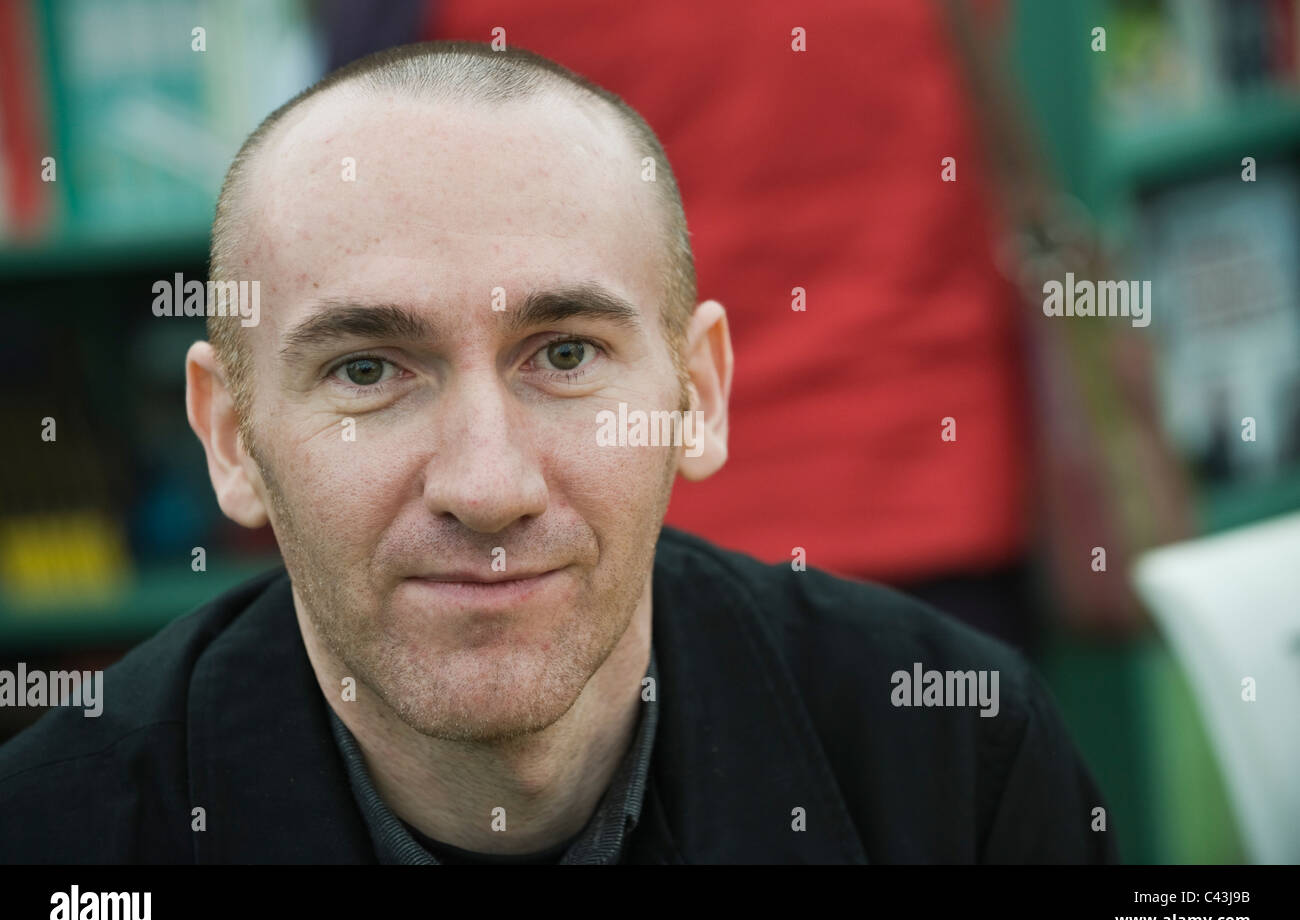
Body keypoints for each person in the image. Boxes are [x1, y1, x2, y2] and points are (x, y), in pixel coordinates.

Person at [0, 42, 1117, 864]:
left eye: (566, 353)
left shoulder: (954, 758)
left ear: (699, 392)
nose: (487, 485)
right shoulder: (58, 839)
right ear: (230, 437)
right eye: (366, 371)